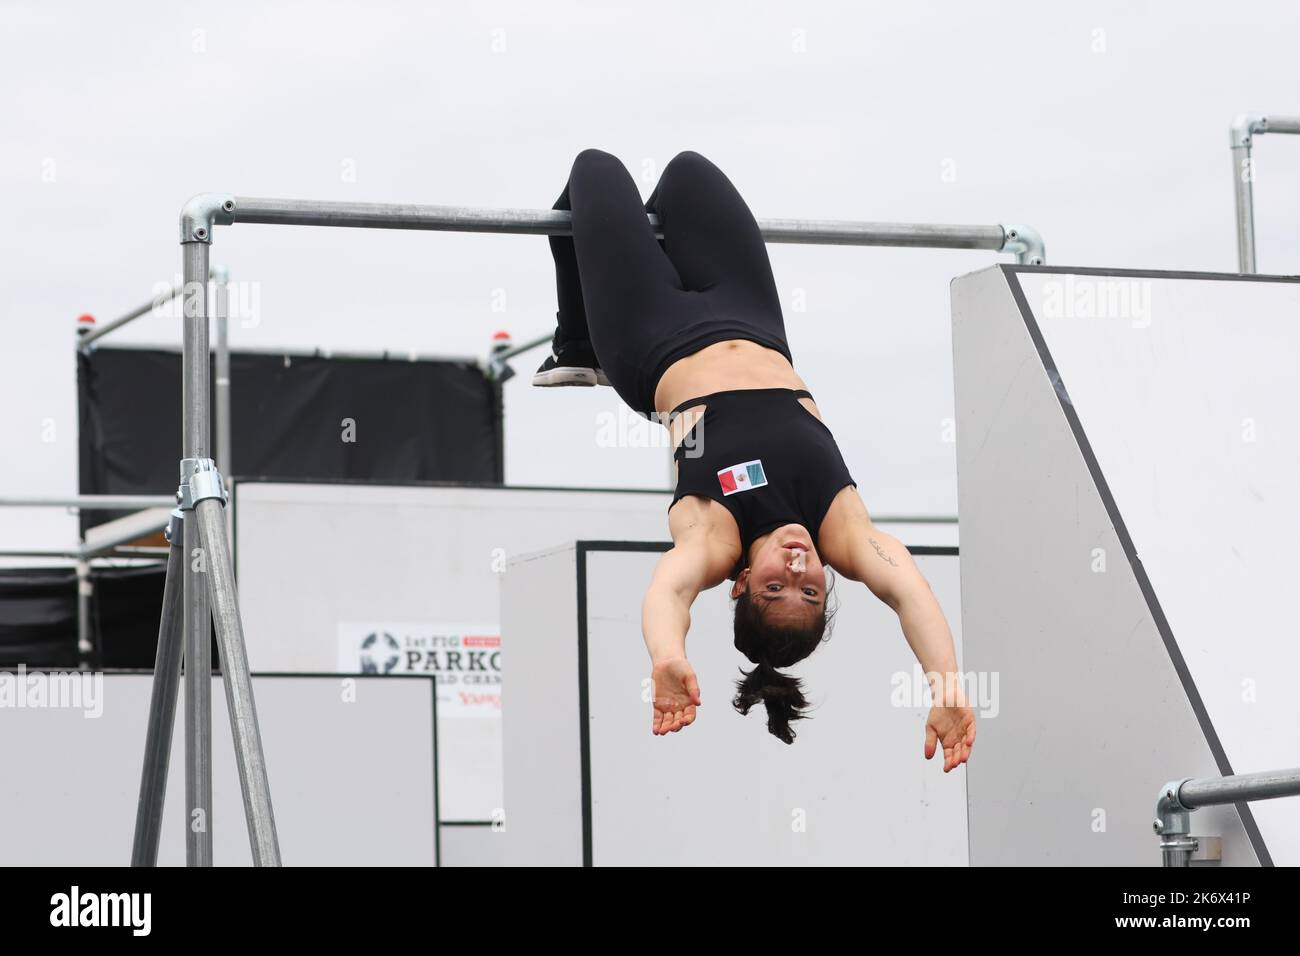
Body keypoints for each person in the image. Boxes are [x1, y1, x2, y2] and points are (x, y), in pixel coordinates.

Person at [536, 148, 974, 767]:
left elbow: (669, 593)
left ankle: (578, 342)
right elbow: (910, 593)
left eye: (776, 585)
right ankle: (585, 314)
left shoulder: (714, 537)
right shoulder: (841, 529)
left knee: (596, 171)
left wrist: (667, 658)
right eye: (811, 590)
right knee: (689, 173)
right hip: (754, 319)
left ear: (741, 582)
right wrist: (946, 684)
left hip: (650, 341)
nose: (798, 565)